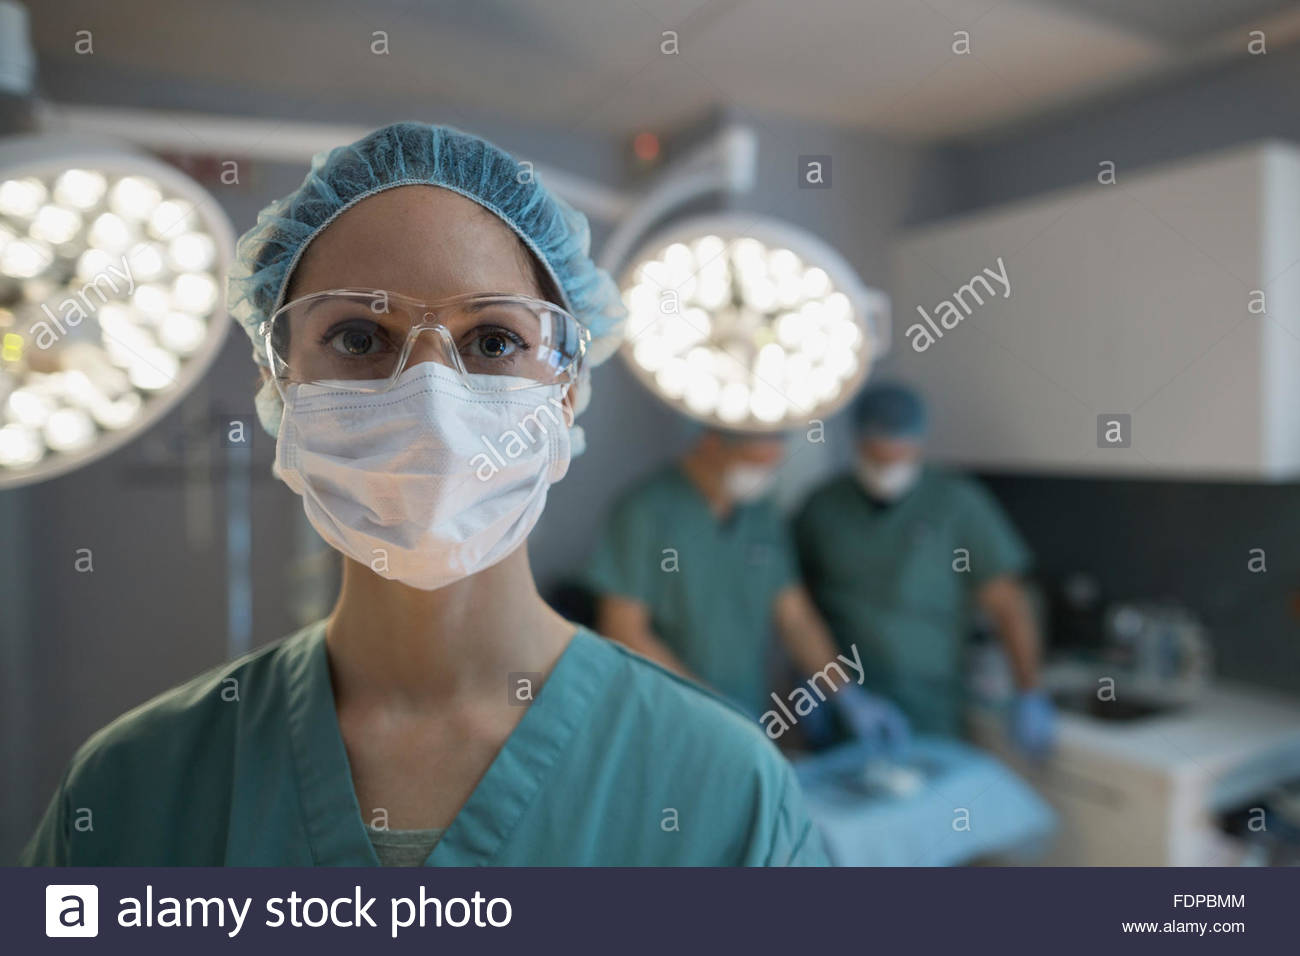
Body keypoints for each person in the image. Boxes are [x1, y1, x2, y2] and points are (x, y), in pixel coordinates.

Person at [19, 123, 827, 866]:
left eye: (495, 340)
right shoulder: (134, 791)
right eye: (360, 338)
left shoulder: (725, 792)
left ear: (570, 387)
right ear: (277, 379)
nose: (433, 398)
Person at [585, 427, 910, 750]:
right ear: (711, 443)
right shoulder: (645, 513)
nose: (762, 475)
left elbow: (795, 618)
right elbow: (623, 630)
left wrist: (845, 692)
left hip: (744, 717)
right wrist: (709, 706)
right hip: (665, 720)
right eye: (754, 461)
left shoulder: (760, 514)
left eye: (772, 464)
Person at [794, 383, 1055, 756]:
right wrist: (817, 683)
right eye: (878, 458)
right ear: (857, 443)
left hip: (932, 706)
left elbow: (1006, 602)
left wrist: (1030, 689)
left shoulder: (956, 505)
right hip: (845, 704)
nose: (887, 470)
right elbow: (791, 606)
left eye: (898, 459)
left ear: (917, 445)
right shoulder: (822, 509)